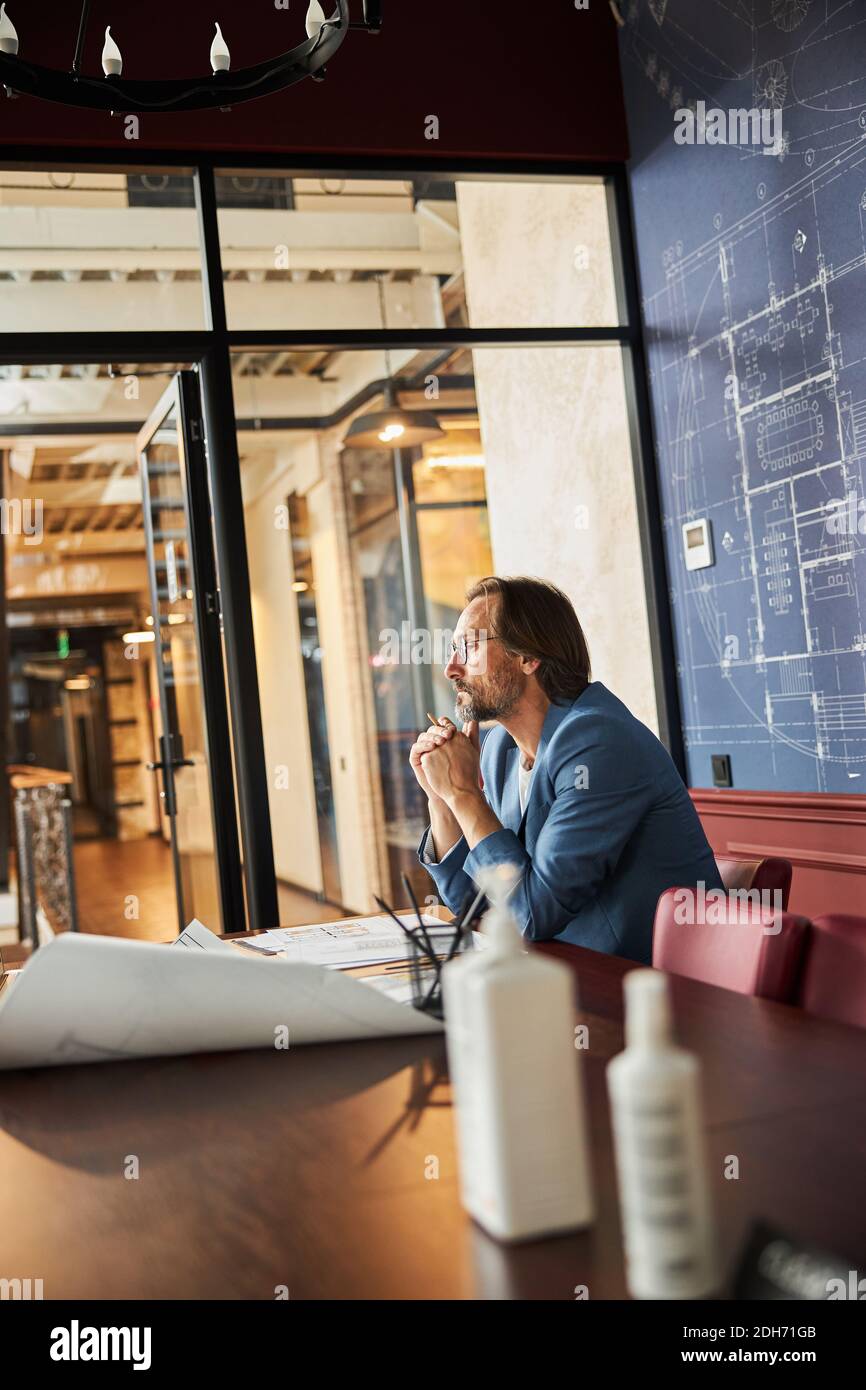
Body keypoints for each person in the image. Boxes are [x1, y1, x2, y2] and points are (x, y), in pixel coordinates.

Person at [410, 575, 723, 963]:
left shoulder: (598, 741)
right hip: (562, 977)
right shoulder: (499, 749)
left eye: (470, 647)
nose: (451, 668)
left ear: (528, 656)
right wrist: (443, 798)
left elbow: (533, 914)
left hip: (651, 990)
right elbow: (473, 906)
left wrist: (464, 793)